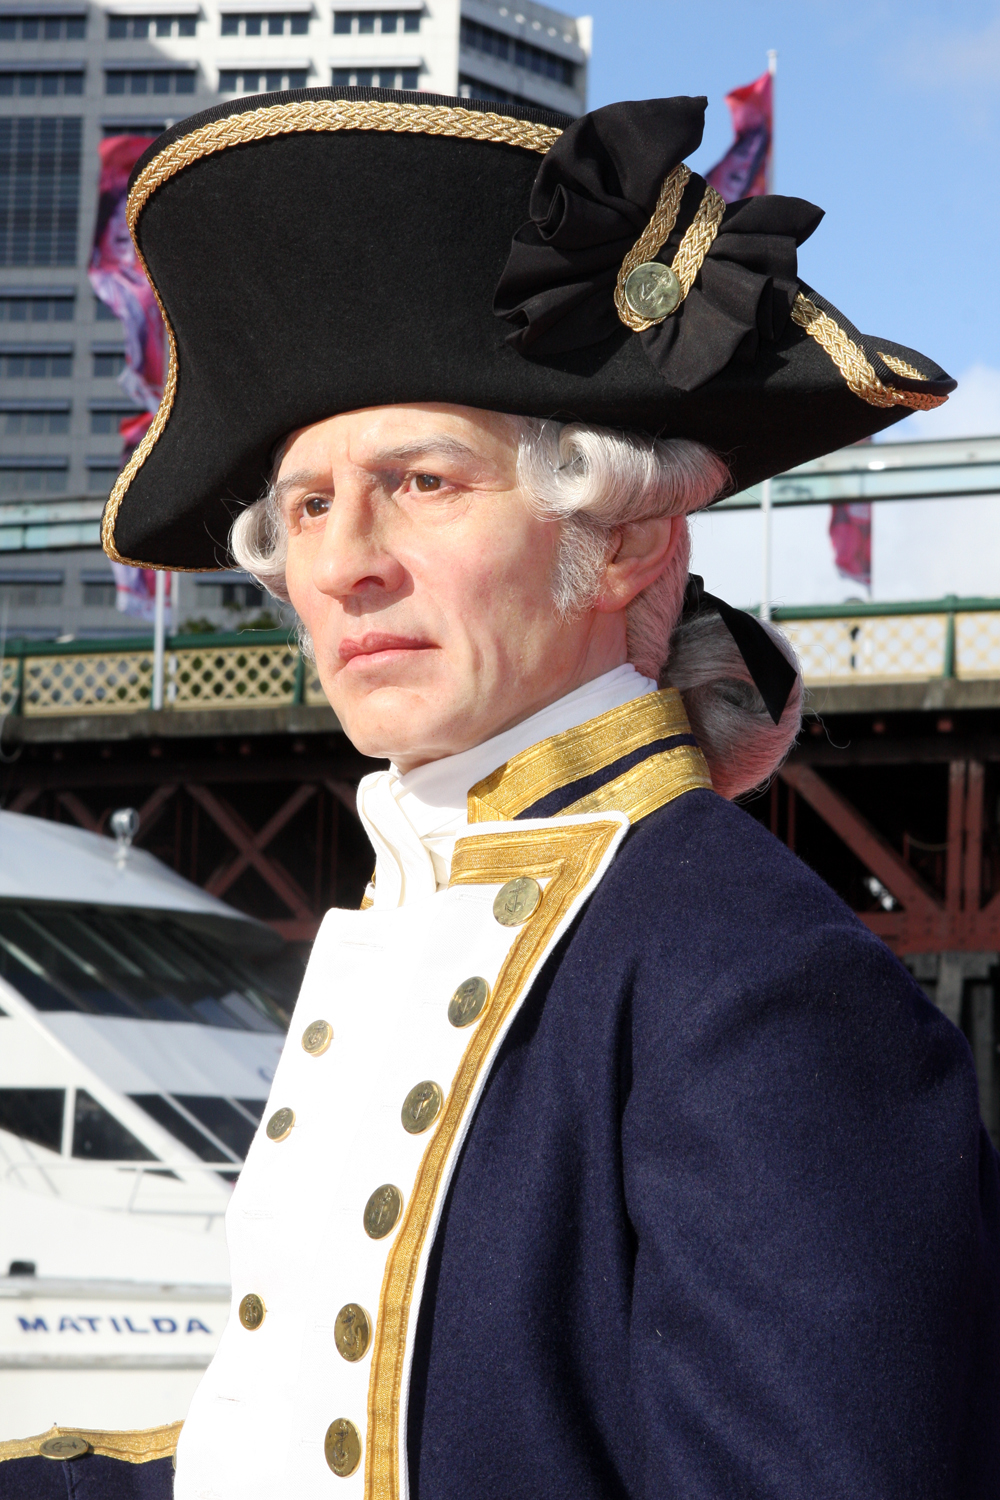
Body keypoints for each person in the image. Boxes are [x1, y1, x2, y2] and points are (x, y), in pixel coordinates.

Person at [2, 88, 996, 1500]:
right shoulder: (406, 908)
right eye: (303, 507)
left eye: (421, 480)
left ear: (630, 539)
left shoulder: (755, 980)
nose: (343, 563)